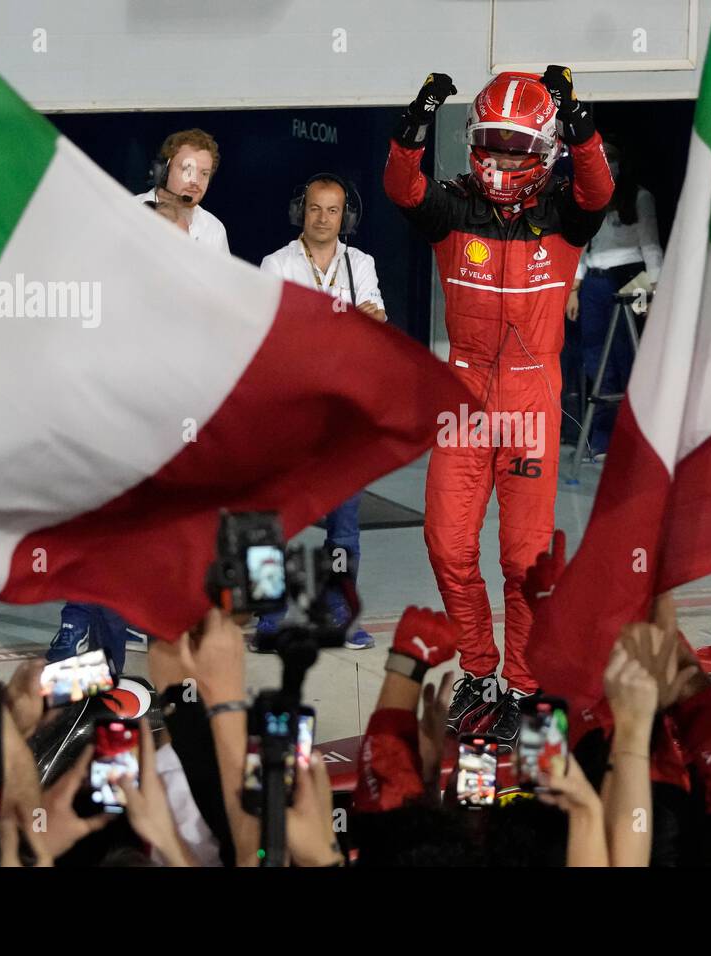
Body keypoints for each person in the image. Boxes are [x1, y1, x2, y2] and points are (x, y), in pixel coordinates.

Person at [384, 67, 613, 750]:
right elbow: (403, 186)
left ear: (545, 148)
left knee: (522, 559)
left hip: (530, 397)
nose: (503, 161)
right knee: (446, 543)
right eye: (492, 145)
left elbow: (598, 186)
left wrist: (583, 122)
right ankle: (479, 672)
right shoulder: (454, 208)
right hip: (464, 393)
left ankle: (521, 684)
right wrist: (415, 121)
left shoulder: (568, 214)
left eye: (518, 148)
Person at [256, 173, 387, 649]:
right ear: (301, 211)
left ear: (344, 216)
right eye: (315, 208)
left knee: (344, 525)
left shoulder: (361, 264)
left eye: (333, 210)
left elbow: (375, 321)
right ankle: (270, 614)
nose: (323, 218)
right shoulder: (277, 263)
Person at [565, 141, 662, 459]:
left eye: (614, 158)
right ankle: (602, 440)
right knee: (596, 356)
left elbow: (650, 244)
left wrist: (656, 289)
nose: (610, 164)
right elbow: (581, 243)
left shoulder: (640, 196)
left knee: (628, 354)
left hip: (633, 278)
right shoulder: (589, 196)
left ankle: (635, 438)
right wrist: (574, 288)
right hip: (595, 281)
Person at [134, 128, 229, 253]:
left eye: (204, 173)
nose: (195, 181)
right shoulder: (128, 211)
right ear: (164, 171)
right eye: (187, 170)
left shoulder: (214, 229)